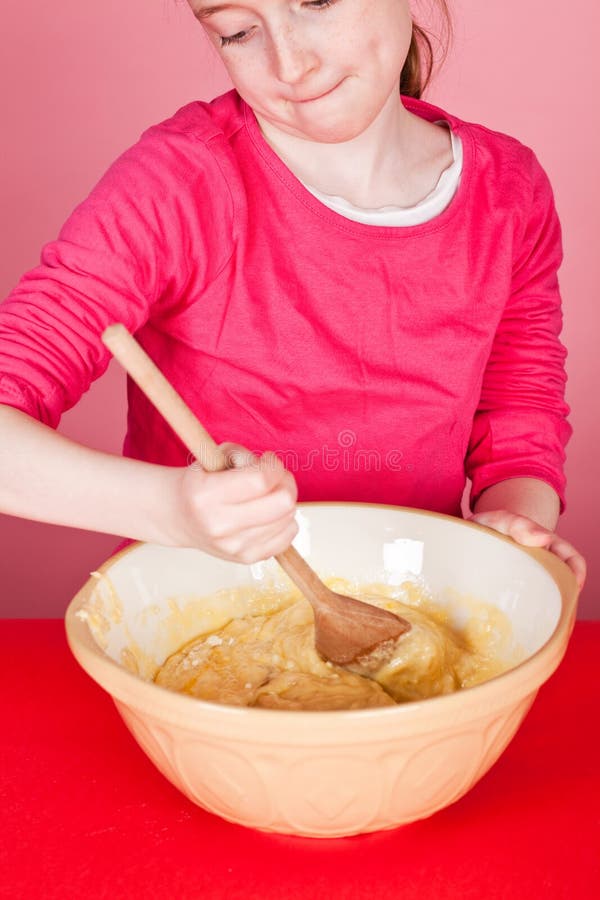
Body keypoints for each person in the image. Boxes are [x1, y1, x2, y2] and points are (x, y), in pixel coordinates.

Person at [0, 0, 586, 588]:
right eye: (238, 33)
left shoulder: (510, 191)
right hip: (196, 601)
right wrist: (171, 509)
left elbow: (519, 412)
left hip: (417, 597)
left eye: (318, 1)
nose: (291, 66)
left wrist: (514, 528)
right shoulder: (180, 180)